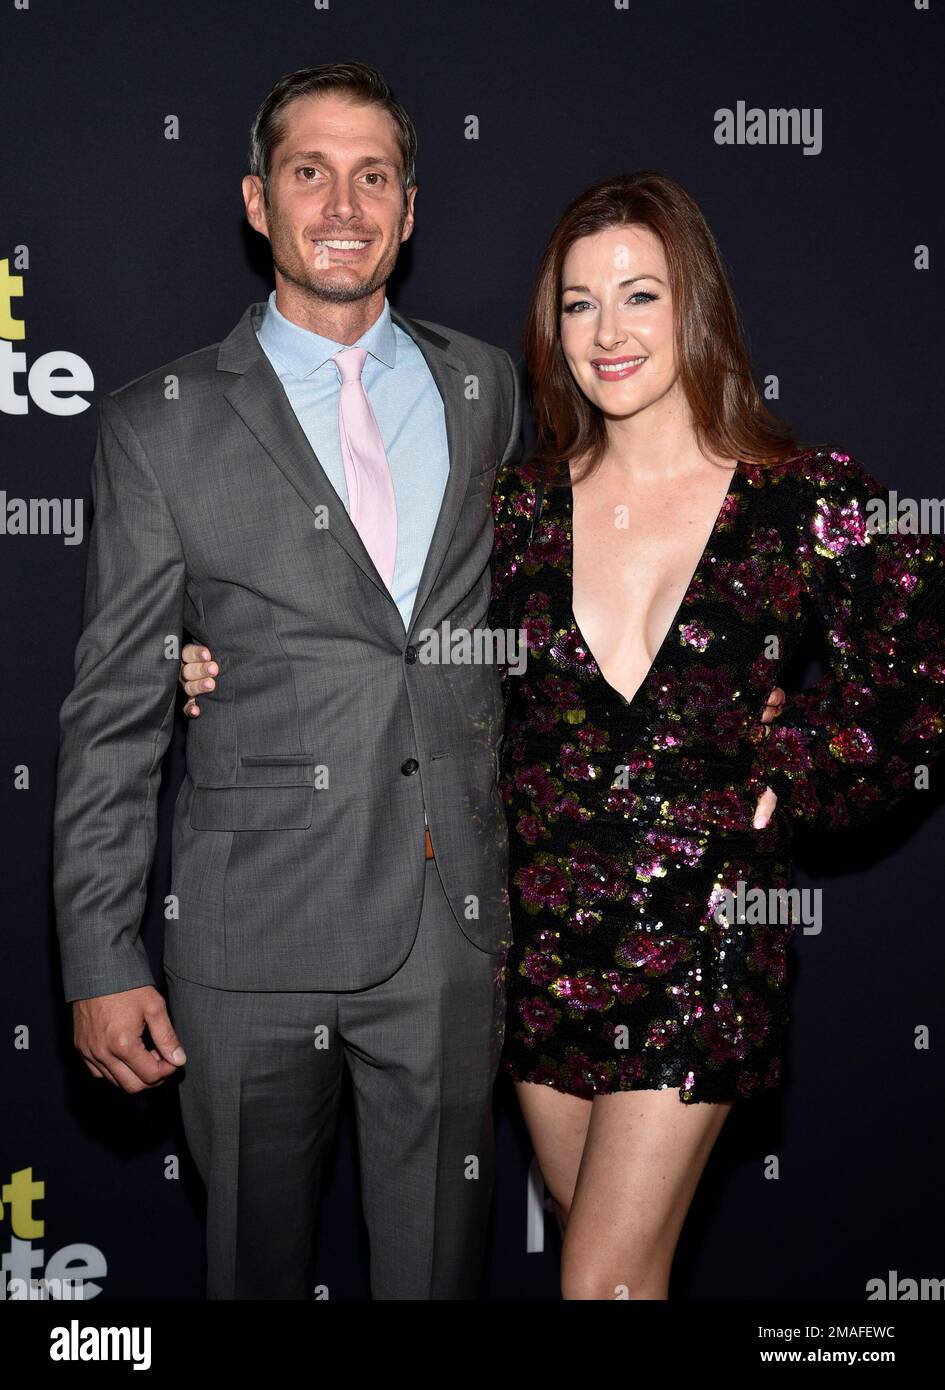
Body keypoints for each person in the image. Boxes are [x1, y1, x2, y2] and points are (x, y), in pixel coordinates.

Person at [52, 62, 521, 1300]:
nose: (344, 205)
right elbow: (112, 709)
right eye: (311, 172)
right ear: (259, 200)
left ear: (410, 210)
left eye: (375, 176)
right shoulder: (159, 421)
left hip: (449, 932)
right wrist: (99, 950)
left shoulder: (490, 390)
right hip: (251, 936)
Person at [488, 171, 945, 1298]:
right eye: (578, 302)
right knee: (619, 1275)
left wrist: (797, 765)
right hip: (540, 943)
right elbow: (391, 657)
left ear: (696, 308)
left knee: (596, 1282)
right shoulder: (513, 511)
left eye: (639, 294)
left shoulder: (802, 500)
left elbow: (922, 673)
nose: (608, 331)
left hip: (705, 940)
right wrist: (212, 669)